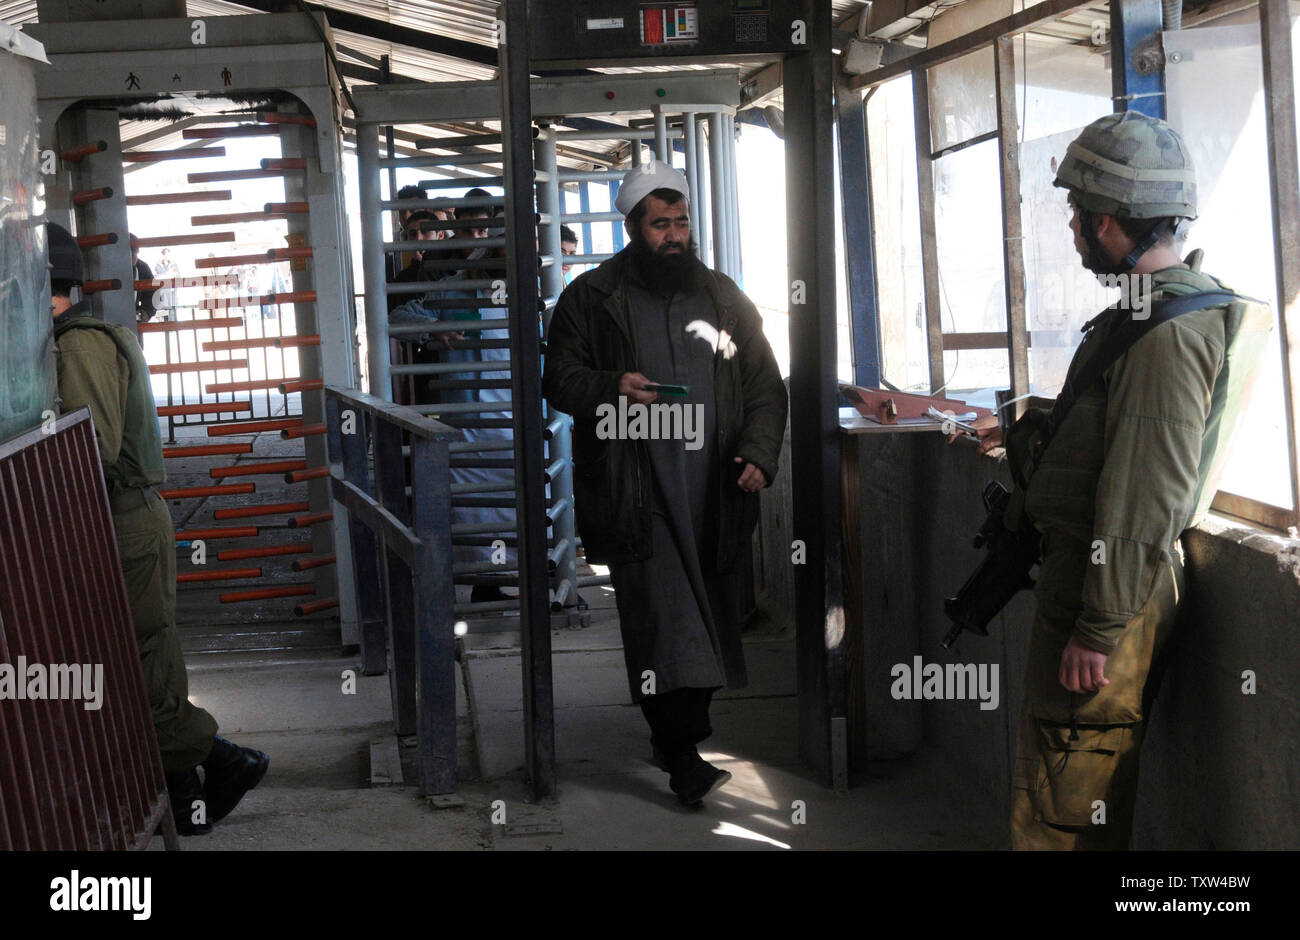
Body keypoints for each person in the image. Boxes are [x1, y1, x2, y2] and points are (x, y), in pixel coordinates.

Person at [960, 113, 1272, 849]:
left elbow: (1147, 487)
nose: (1071, 228)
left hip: (1109, 597)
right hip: (1095, 581)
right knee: (1055, 781)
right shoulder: (1143, 318)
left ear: (1108, 222)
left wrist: (1097, 629)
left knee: (1067, 807)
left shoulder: (1167, 333)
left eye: (1077, 214)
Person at [542, 161, 788, 805]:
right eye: (660, 224)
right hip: (637, 488)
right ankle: (681, 754)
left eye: (681, 222)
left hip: (716, 489)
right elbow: (558, 378)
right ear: (633, 229)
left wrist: (760, 450)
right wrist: (609, 386)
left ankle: (681, 735)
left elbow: (765, 384)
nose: (674, 235)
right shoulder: (591, 297)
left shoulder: (725, 298)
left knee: (712, 618)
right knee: (660, 621)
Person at [46, 222, 270, 837]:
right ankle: (183, 798)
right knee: (147, 661)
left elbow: (91, 443)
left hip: (121, 519)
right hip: (115, 518)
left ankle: (226, 762)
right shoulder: (74, 338)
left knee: (139, 662)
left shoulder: (79, 345)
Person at [129, 234, 157, 322]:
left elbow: (155, 293)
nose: (134, 256)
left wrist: (146, 312)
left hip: (132, 321)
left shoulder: (142, 268)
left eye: (136, 252)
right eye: (130, 251)